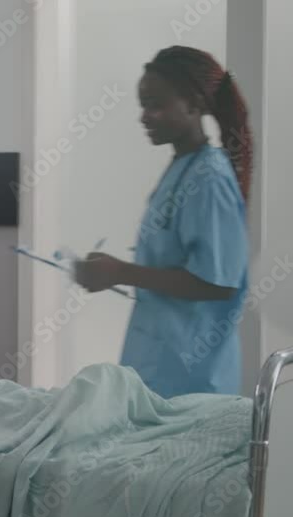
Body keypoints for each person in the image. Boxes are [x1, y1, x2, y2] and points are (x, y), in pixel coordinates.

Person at [74, 46, 253, 398]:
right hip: (160, 365)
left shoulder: (209, 178)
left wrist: (120, 272)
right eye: (142, 105)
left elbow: (220, 284)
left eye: (156, 104)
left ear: (194, 104)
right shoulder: (183, 168)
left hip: (193, 378)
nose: (145, 116)